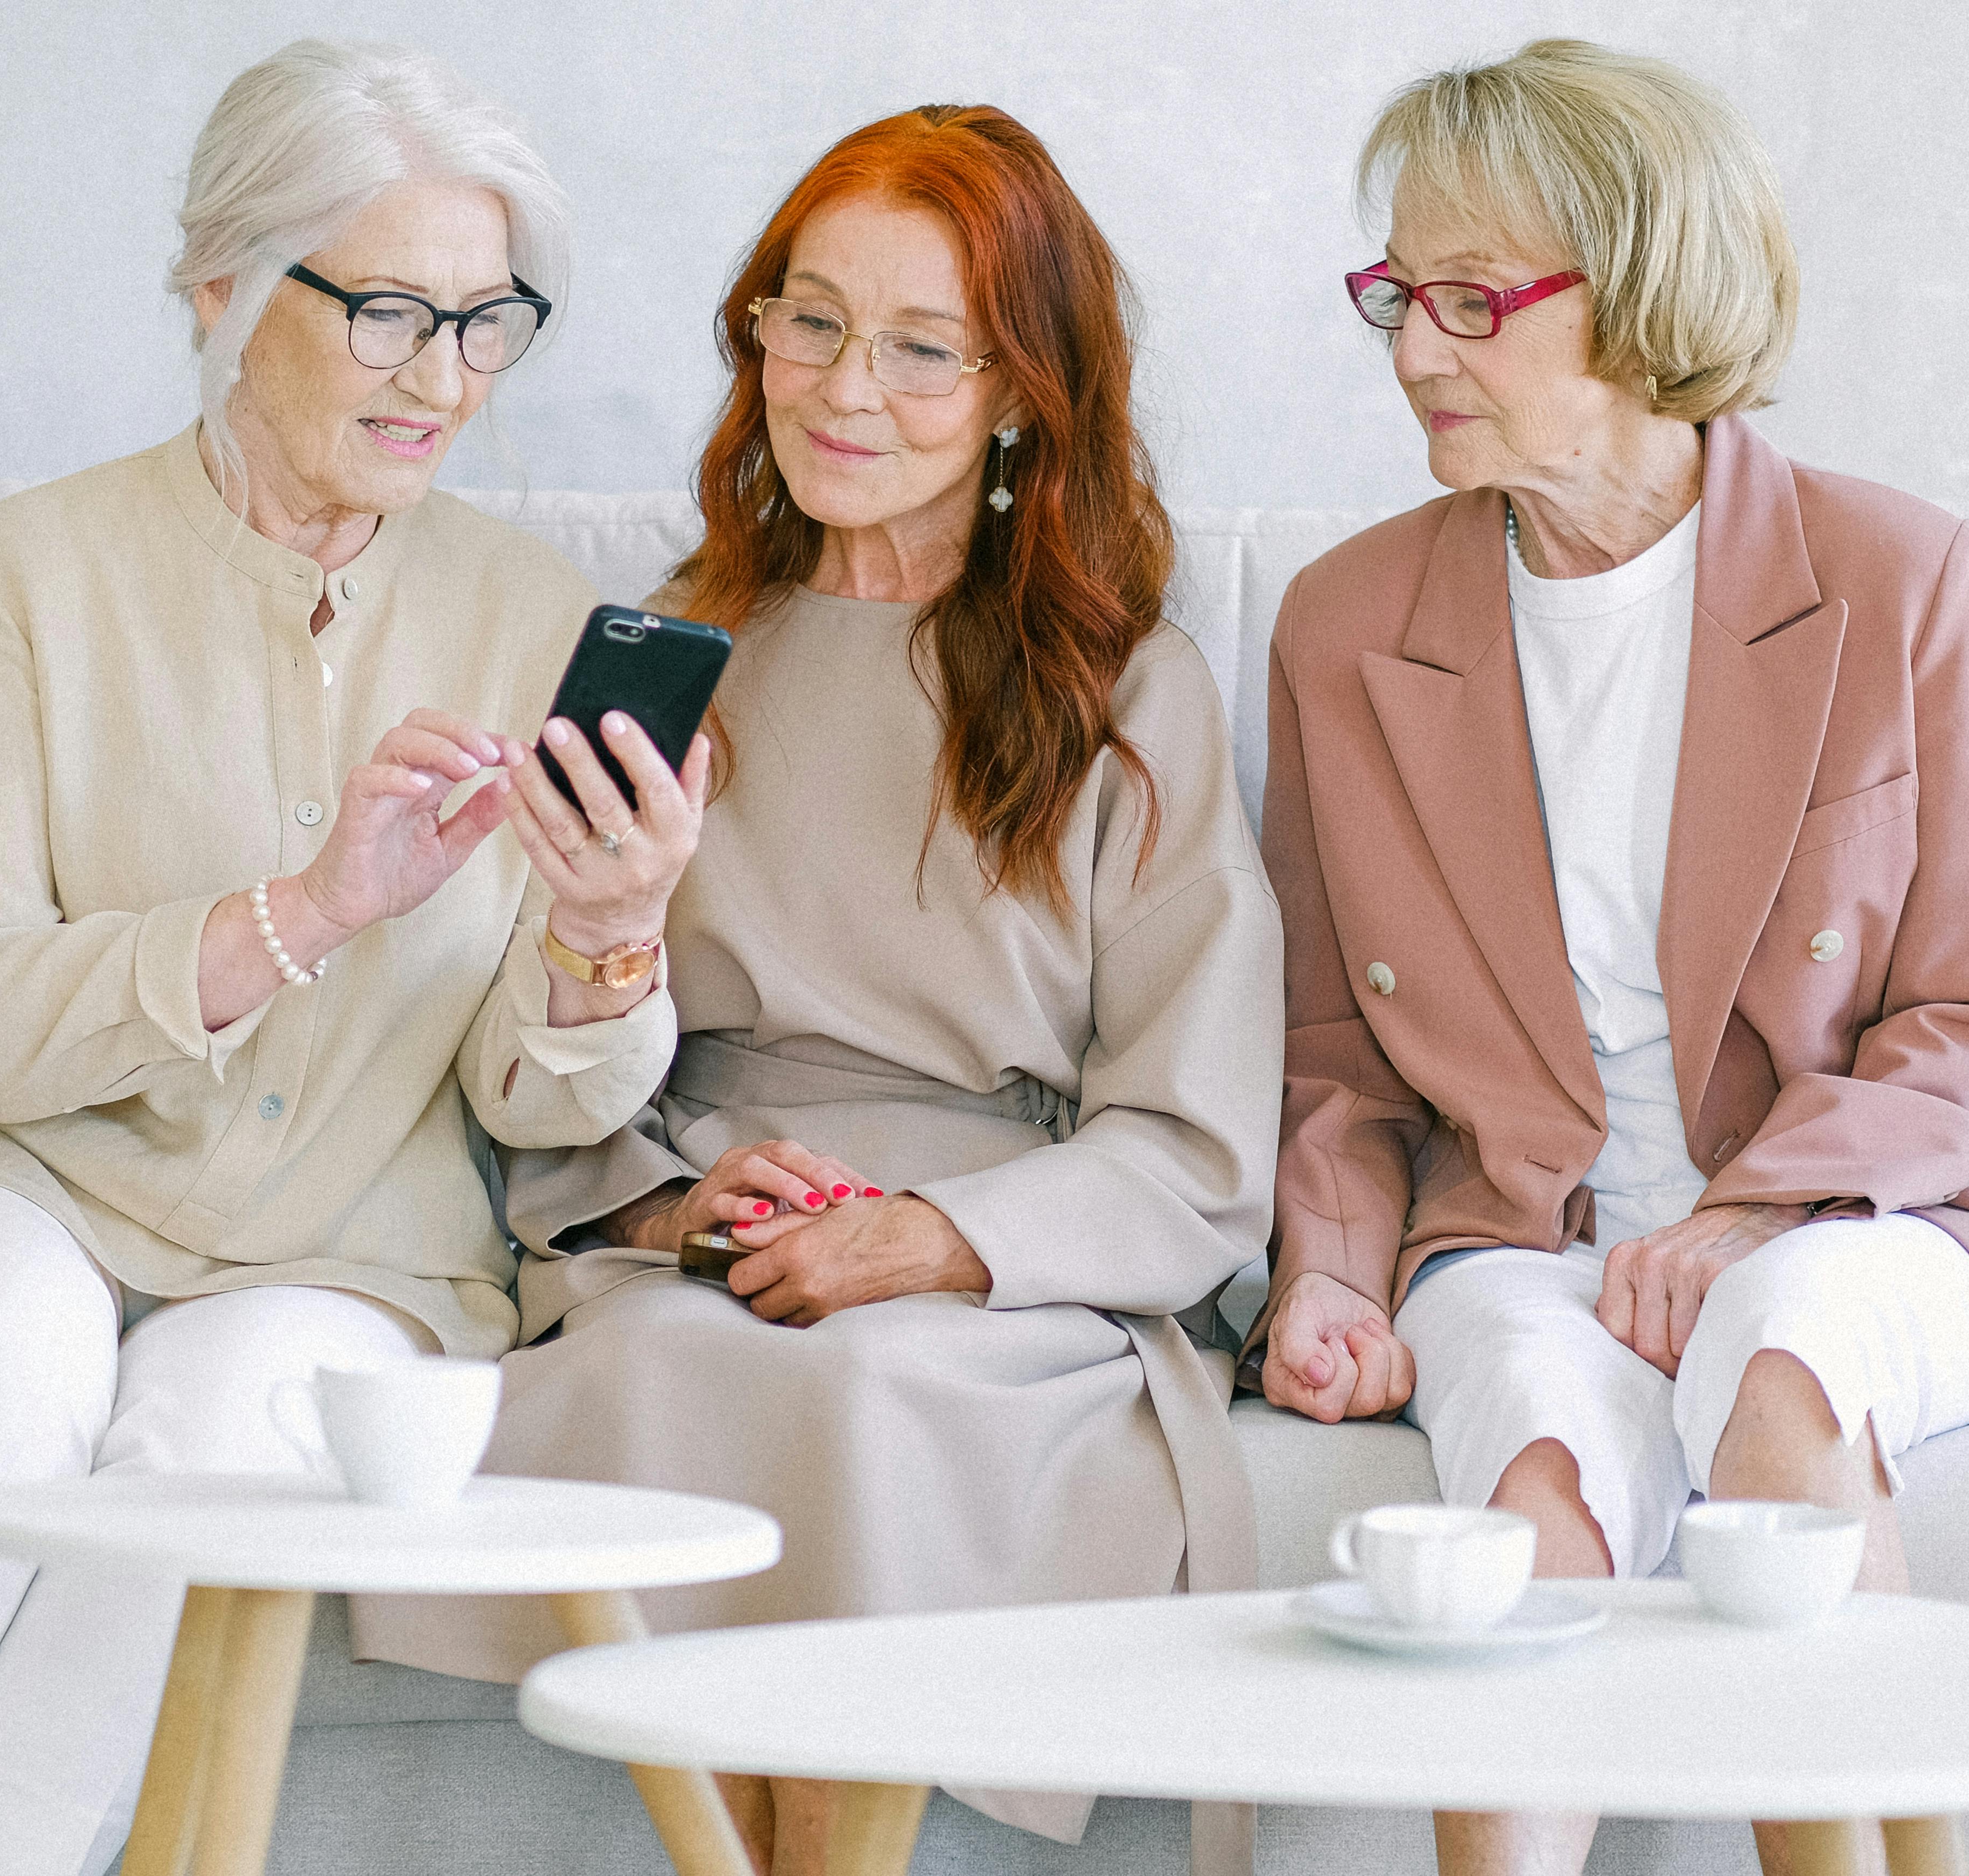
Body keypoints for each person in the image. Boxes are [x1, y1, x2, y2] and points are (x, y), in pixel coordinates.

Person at [0, 42, 707, 1876]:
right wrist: (301, 911)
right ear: (221, 286)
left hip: (345, 1246)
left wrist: (609, 937)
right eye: (390, 313)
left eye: (488, 324)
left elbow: (530, 1099)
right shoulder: (33, 570)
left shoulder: (531, 615)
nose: (444, 379)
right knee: (6, 1351)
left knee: (234, 1419)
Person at [1253, 39, 1969, 1876]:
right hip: (1521, 1230)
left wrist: (1758, 1209)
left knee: (1779, 1349)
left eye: (1473, 300)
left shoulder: (1897, 574)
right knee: (1532, 1468)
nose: (1415, 350)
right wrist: (1333, 1278)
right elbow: (1335, 1053)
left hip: (1886, 1210)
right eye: (1396, 295)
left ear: (1644, 294)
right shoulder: (1344, 624)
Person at [358, 104, 1284, 1871]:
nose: (848, 389)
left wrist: (931, 1237)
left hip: (1010, 1273)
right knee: (686, 1364)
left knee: (862, 1393)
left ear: (1020, 394)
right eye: (814, 322)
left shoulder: (1131, 688)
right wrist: (675, 1203)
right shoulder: (671, 645)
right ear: (758, 333)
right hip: (709, 1239)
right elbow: (549, 1074)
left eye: (924, 349)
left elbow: (1196, 1140)